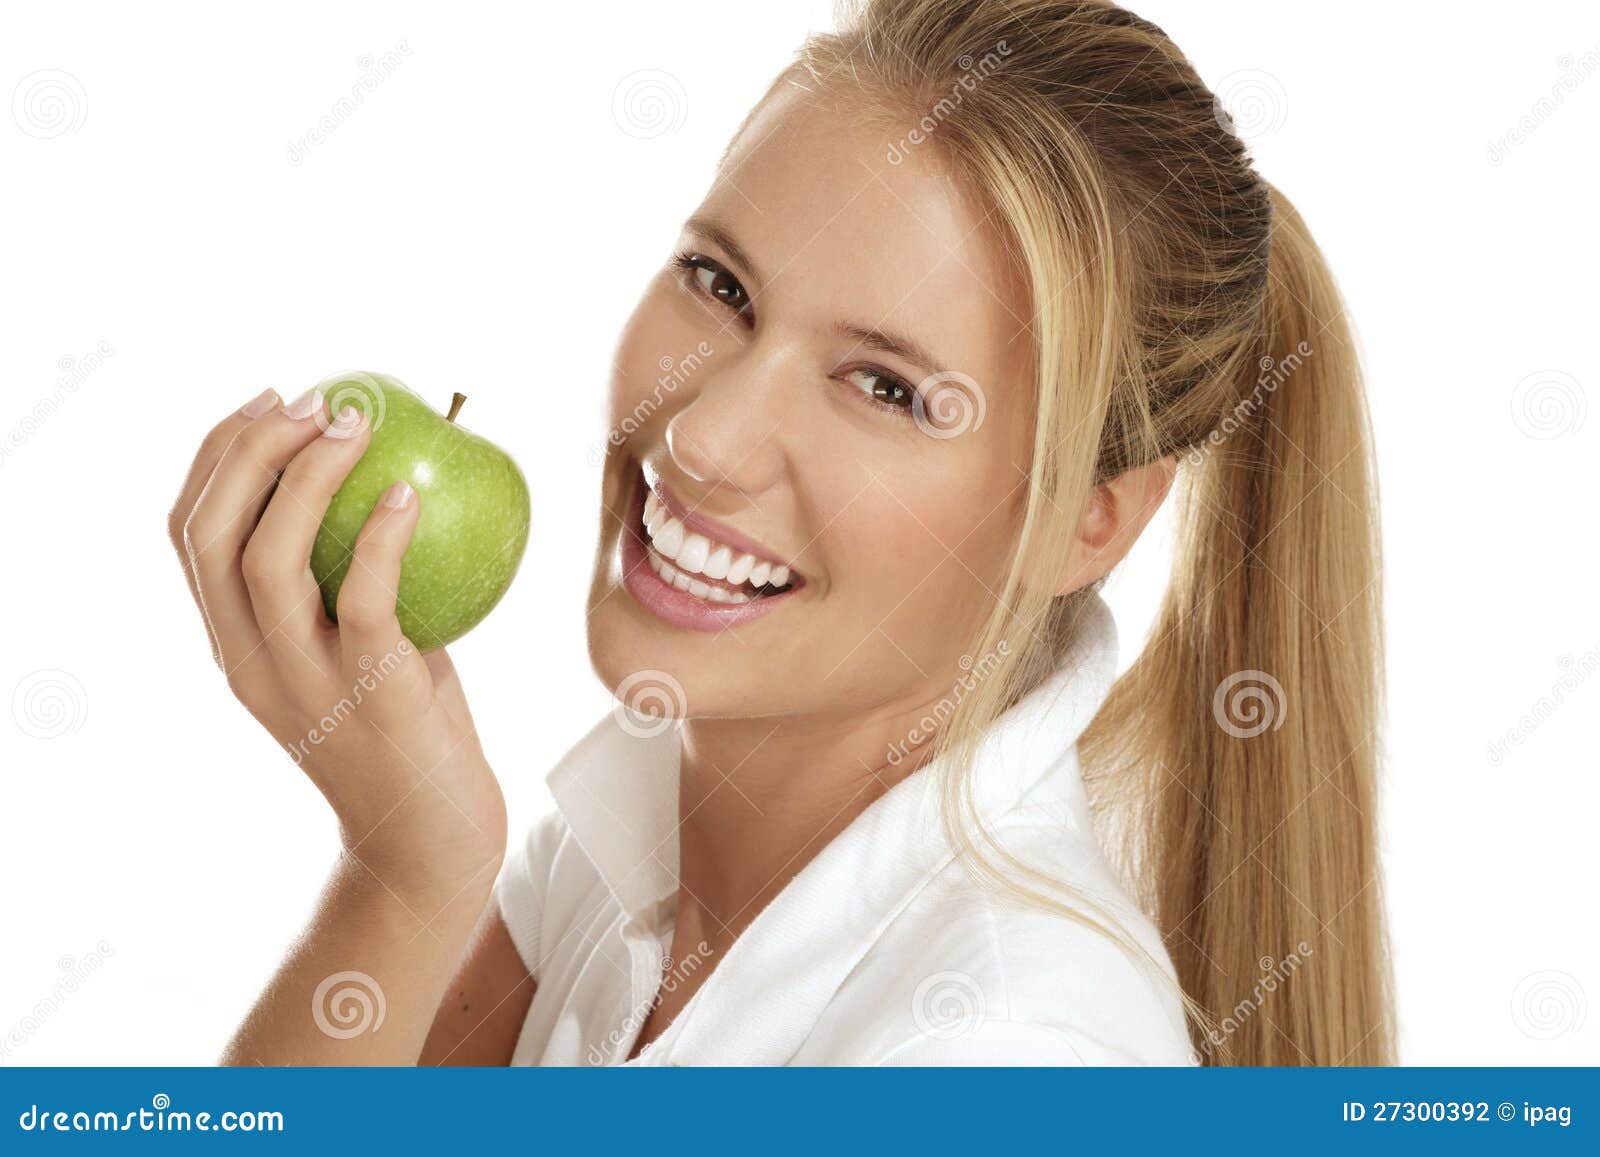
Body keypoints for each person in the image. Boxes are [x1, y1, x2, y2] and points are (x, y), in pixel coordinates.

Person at [169, 0, 1390, 1066]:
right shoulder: (629, 841)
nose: (703, 438)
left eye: (886, 387)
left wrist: (407, 885)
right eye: (722, 286)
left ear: (1084, 523)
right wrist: (410, 866)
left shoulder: (1002, 1053)